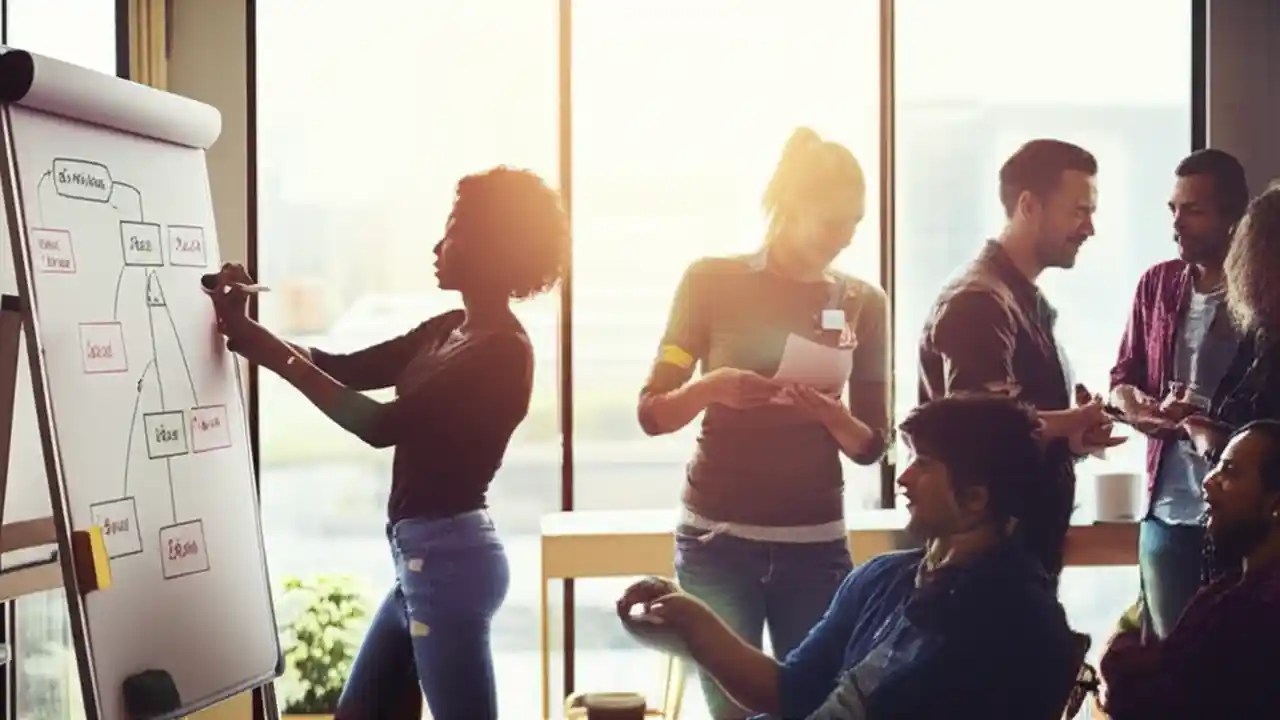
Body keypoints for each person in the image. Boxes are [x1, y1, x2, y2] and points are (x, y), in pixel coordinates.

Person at [202, 167, 569, 719]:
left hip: (450, 566)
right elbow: (345, 369)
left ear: (494, 245)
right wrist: (250, 330)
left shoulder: (502, 352)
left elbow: (380, 426)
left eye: (454, 229)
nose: (438, 246)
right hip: (420, 564)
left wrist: (261, 346)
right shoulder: (450, 327)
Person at [617, 394, 1079, 720]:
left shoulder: (1023, 623)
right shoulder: (885, 578)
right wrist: (692, 621)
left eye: (925, 464)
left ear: (976, 498)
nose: (905, 478)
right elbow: (790, 691)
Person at [636, 127, 890, 719]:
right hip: (717, 545)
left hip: (815, 545)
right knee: (732, 713)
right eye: (832, 222)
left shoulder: (864, 302)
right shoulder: (711, 281)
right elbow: (653, 410)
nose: (845, 237)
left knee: (819, 710)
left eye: (855, 222)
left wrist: (831, 415)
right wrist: (711, 387)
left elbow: (871, 444)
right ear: (791, 207)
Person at [917, 138, 1122, 580]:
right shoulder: (979, 301)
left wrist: (1072, 436)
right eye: (1079, 211)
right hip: (987, 561)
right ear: (1029, 205)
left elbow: (1019, 425)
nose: (1089, 229)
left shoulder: (1021, 299)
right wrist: (1070, 420)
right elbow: (982, 430)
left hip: (1018, 550)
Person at [1107, 149, 1250, 637]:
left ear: (1232, 219)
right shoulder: (1158, 284)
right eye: (1173, 208)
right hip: (1166, 511)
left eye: (1194, 210)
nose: (1178, 222)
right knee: (1168, 661)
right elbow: (1121, 378)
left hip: (1242, 516)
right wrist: (1137, 409)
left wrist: (1203, 418)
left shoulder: (1261, 294)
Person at [1099, 420, 1280, 719]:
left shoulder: (1259, 614)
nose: (1208, 480)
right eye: (1217, 466)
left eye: (1230, 472)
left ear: (1276, 504)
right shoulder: (1229, 589)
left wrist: (1116, 660)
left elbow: (1163, 702)